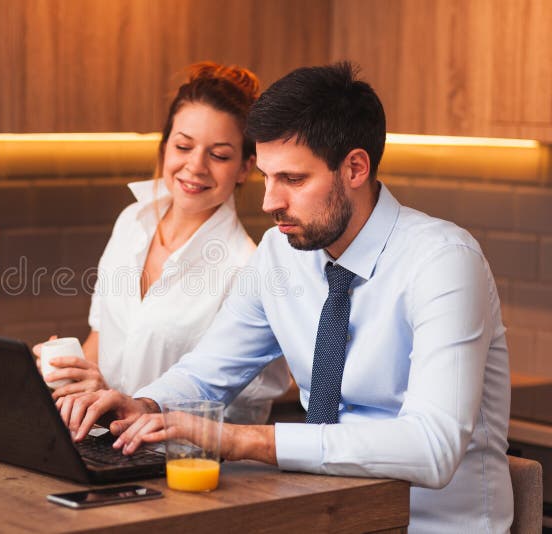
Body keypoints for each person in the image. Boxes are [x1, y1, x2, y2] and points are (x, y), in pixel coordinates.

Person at [59, 62, 512, 533]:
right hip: (324, 516)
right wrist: (146, 405)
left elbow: (432, 448)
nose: (269, 202)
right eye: (267, 177)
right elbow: (206, 372)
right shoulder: (279, 253)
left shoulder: (444, 262)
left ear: (355, 168)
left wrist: (241, 441)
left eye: (293, 180)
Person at [40, 62, 290, 424]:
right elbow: (101, 339)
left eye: (219, 155)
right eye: (183, 146)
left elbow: (239, 416)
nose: (196, 166)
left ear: (244, 167)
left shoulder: (246, 270)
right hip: (101, 440)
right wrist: (70, 370)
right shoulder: (131, 223)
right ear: (164, 147)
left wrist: (119, 401)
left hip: (173, 455)